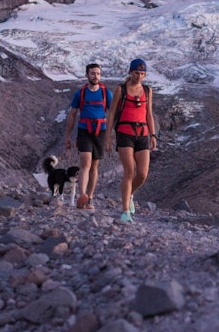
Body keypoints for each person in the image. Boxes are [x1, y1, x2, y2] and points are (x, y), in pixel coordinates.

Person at [105, 58, 157, 223]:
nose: (139, 76)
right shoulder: (121, 89)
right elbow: (112, 113)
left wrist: (153, 135)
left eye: (142, 74)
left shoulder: (148, 91)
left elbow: (149, 113)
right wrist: (107, 136)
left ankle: (129, 195)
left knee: (142, 174)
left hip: (142, 134)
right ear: (130, 72)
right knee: (129, 171)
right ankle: (125, 211)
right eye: (136, 73)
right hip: (124, 133)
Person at [63, 63, 113, 210]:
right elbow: (72, 114)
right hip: (84, 130)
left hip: (100, 131)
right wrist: (68, 136)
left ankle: (89, 198)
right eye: (92, 73)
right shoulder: (80, 93)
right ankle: (82, 196)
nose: (95, 76)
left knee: (94, 166)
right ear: (87, 75)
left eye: (98, 73)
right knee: (85, 162)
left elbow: (112, 114)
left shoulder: (106, 93)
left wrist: (110, 136)